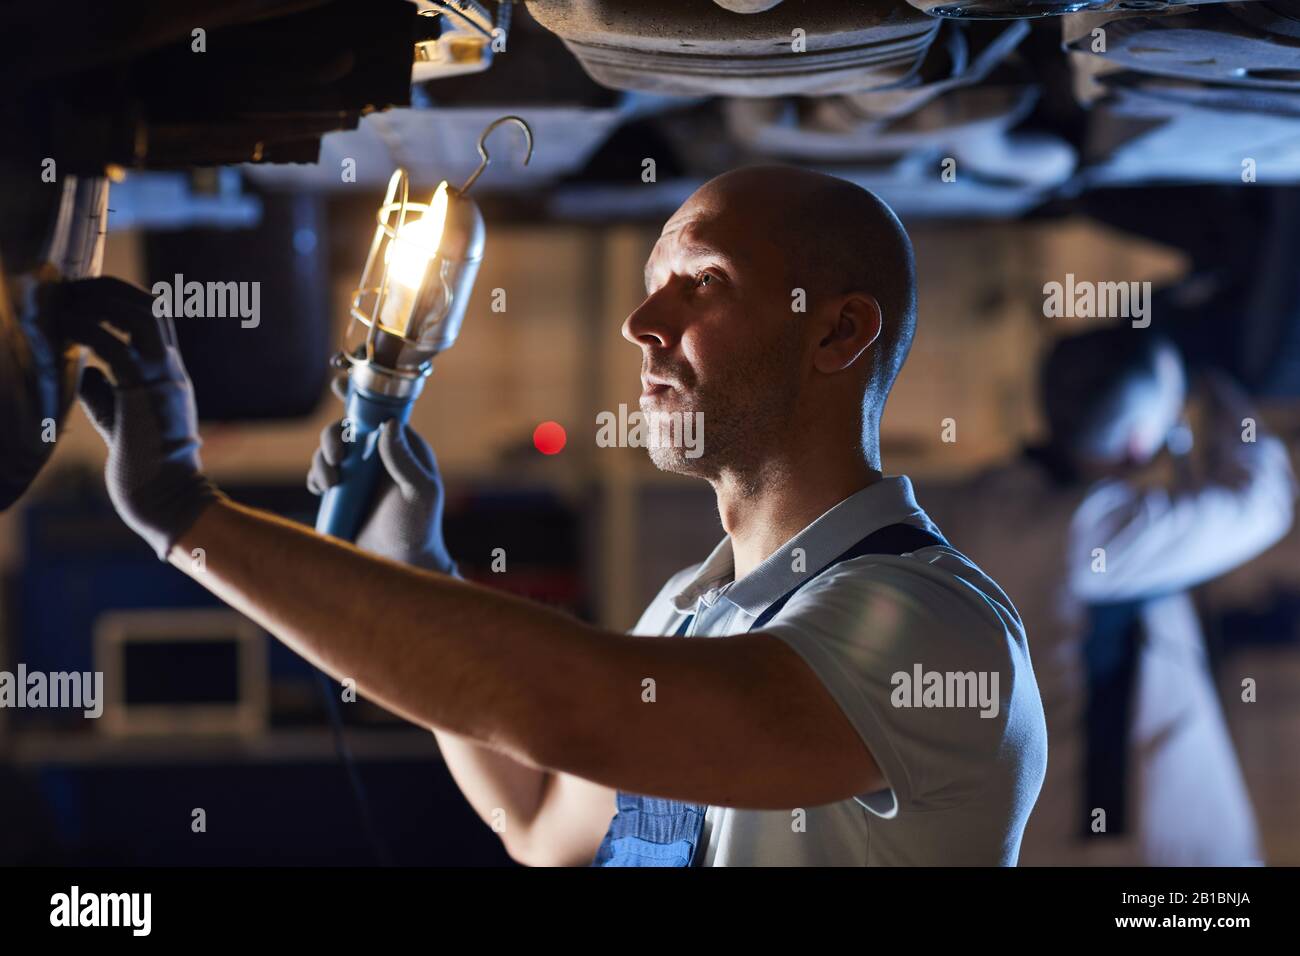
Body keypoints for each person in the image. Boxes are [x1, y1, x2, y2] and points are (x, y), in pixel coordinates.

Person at [50, 165, 1046, 867]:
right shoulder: (690, 612)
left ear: (836, 329)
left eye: (701, 284)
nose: (641, 324)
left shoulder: (927, 623)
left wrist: (194, 519)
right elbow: (533, 817)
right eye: (654, 286)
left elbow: (575, 710)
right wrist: (427, 569)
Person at [923, 326, 1296, 865]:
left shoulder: (980, 508)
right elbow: (1262, 501)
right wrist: (1217, 385)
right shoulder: (1087, 535)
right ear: (1140, 439)